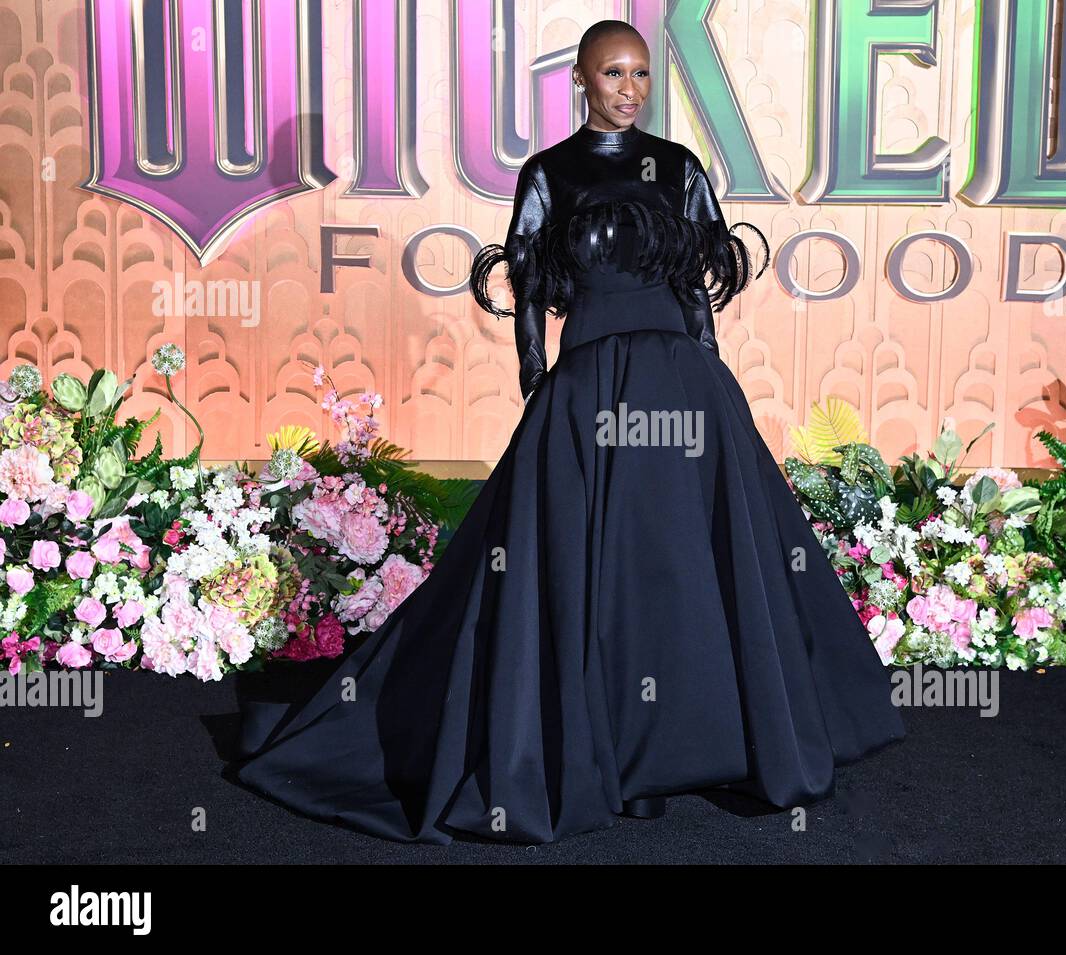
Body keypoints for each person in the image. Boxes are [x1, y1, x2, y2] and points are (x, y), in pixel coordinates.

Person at [229, 19, 904, 845]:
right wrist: (538, 388)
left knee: (684, 566)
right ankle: (621, 753)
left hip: (683, 388)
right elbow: (527, 284)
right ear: (580, 79)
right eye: (613, 73)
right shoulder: (548, 171)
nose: (629, 88)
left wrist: (712, 381)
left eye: (641, 75)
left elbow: (695, 290)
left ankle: (700, 747)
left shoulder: (679, 168)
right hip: (586, 393)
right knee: (607, 570)